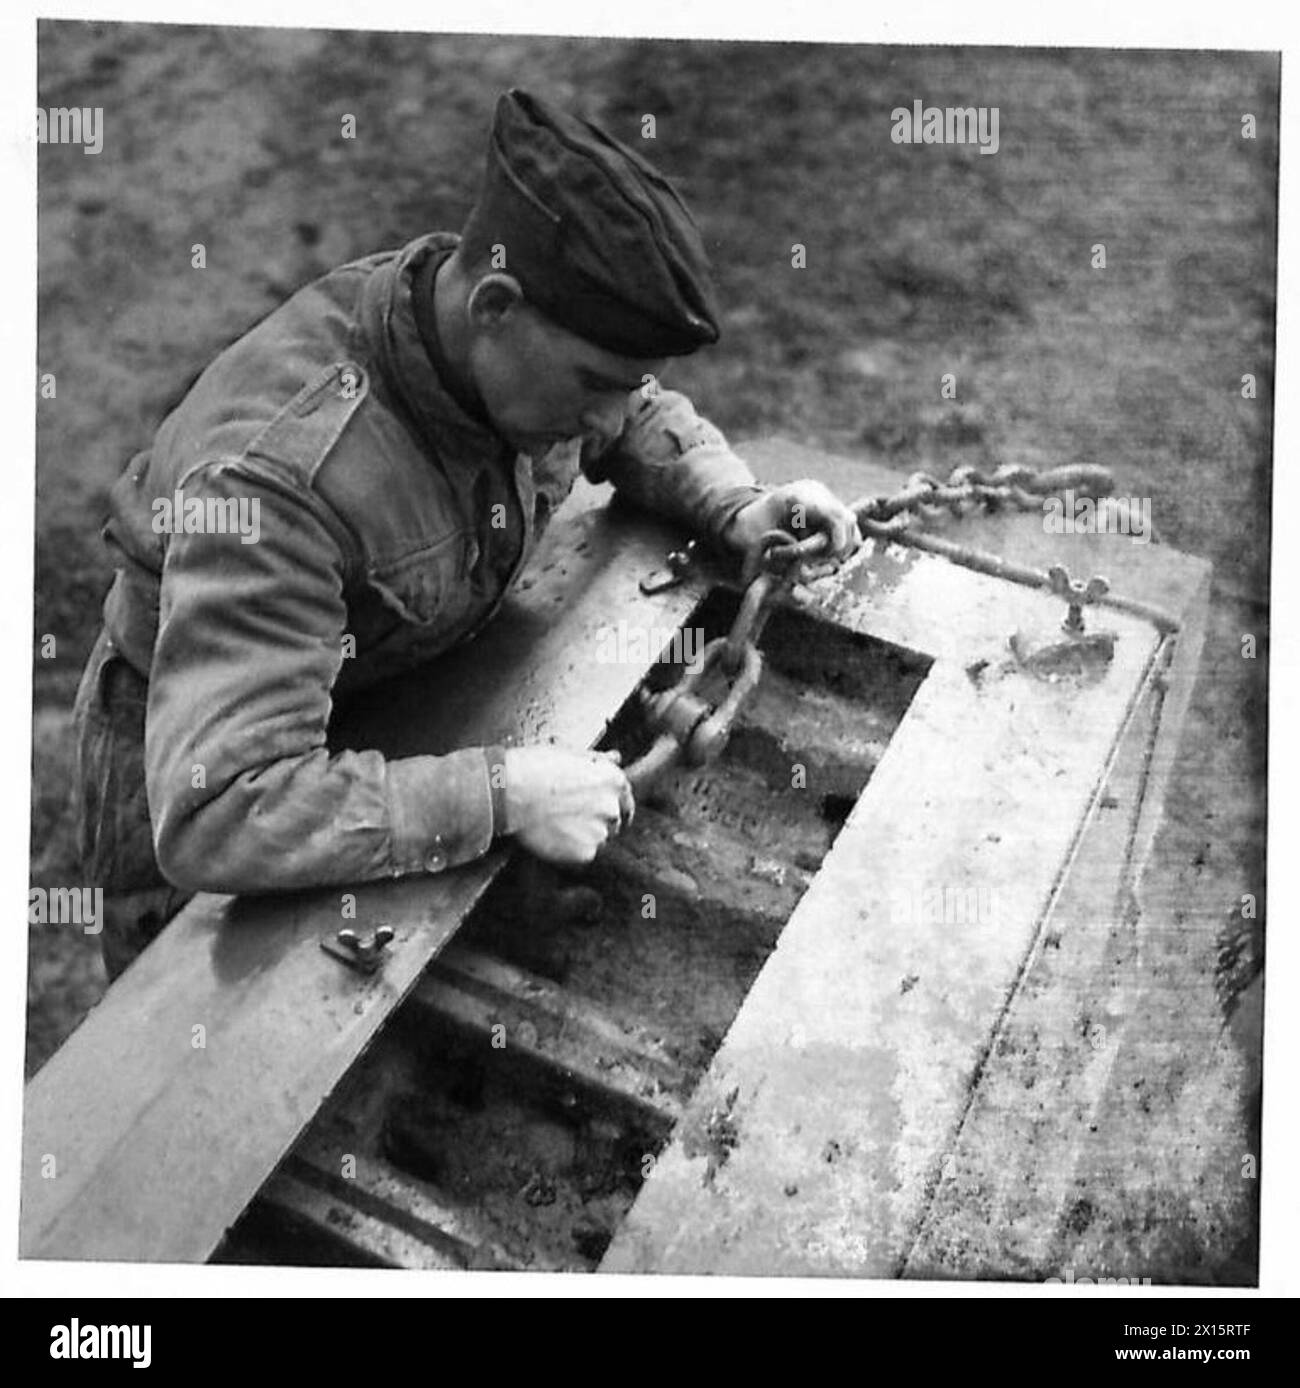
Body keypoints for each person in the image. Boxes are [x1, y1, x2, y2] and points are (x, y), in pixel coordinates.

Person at [72, 88, 860, 981]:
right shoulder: (278, 485)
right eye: (595, 380)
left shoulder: (504, 352)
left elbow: (630, 411)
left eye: (624, 379)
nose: (610, 410)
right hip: (208, 746)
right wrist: (502, 794)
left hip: (385, 690)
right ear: (494, 305)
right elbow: (222, 812)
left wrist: (732, 502)